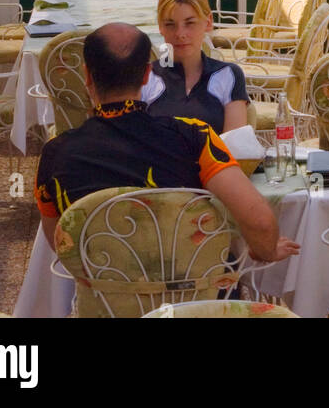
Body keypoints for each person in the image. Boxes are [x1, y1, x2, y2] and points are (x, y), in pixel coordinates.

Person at [34, 22, 298, 266]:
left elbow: (62, 245)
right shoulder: (195, 137)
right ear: (147, 74)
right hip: (194, 300)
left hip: (107, 302)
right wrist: (266, 250)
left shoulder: (56, 154)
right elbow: (260, 223)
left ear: (87, 76)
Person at [141, 0, 248, 132]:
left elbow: (236, 146)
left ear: (208, 22)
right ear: (160, 27)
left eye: (189, 23)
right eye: (170, 24)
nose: (180, 34)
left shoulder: (228, 75)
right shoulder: (146, 77)